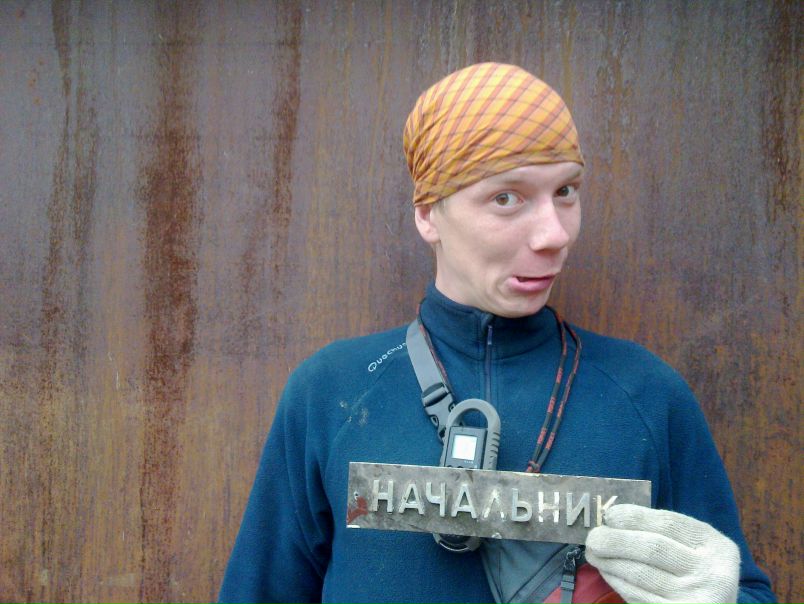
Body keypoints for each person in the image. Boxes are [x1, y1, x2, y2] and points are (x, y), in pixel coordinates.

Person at [218, 63, 776, 604]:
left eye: (566, 191)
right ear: (428, 214)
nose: (554, 234)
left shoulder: (648, 397)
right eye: (506, 197)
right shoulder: (330, 394)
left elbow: (748, 591)